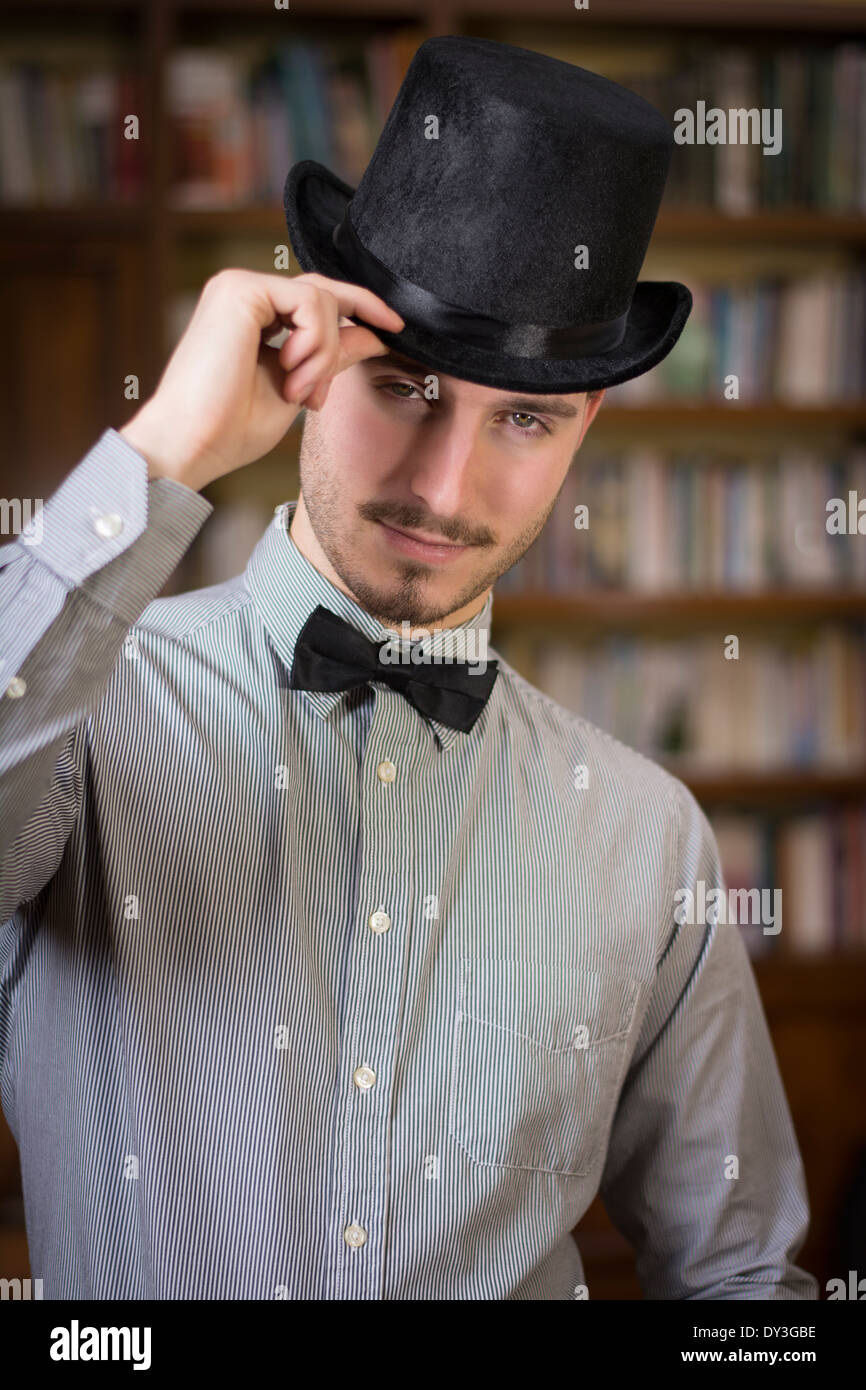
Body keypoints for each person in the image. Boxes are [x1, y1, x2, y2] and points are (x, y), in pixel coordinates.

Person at [0, 35, 817, 1299]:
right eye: (406, 386)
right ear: (308, 357)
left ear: (583, 425)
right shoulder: (82, 721)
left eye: (524, 420)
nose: (443, 490)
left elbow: (740, 1279)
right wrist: (162, 447)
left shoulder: (651, 839)